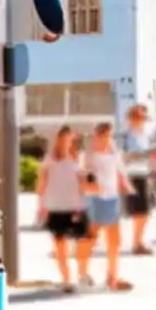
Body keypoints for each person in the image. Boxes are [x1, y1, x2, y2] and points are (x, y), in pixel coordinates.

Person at [36, 125, 90, 292]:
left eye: (70, 139)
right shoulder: (50, 159)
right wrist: (41, 206)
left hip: (75, 206)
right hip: (56, 206)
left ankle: (82, 272)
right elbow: (42, 183)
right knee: (60, 246)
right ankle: (67, 280)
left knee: (83, 242)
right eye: (64, 138)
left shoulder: (78, 159)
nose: (67, 142)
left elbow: (83, 184)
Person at [83, 121, 135, 291]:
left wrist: (126, 185)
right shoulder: (91, 152)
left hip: (112, 197)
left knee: (115, 240)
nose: (107, 138)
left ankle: (112, 277)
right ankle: (83, 273)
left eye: (109, 135)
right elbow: (85, 174)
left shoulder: (113, 150)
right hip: (96, 198)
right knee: (92, 238)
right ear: (98, 135)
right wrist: (92, 185)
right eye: (104, 135)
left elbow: (119, 170)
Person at [118, 104, 156, 255]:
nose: (141, 121)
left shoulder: (146, 136)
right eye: (138, 117)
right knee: (139, 211)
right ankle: (137, 243)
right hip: (132, 176)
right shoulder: (125, 136)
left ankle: (138, 241)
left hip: (145, 175)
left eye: (143, 118)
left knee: (145, 212)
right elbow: (122, 157)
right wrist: (141, 155)